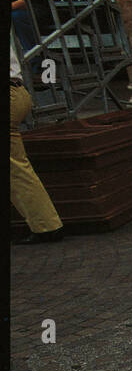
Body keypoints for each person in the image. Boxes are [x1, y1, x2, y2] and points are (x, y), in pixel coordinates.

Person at [11, 40, 64, 244]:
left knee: (15, 168)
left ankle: (46, 226)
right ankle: (45, 224)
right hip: (17, 91)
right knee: (16, 167)